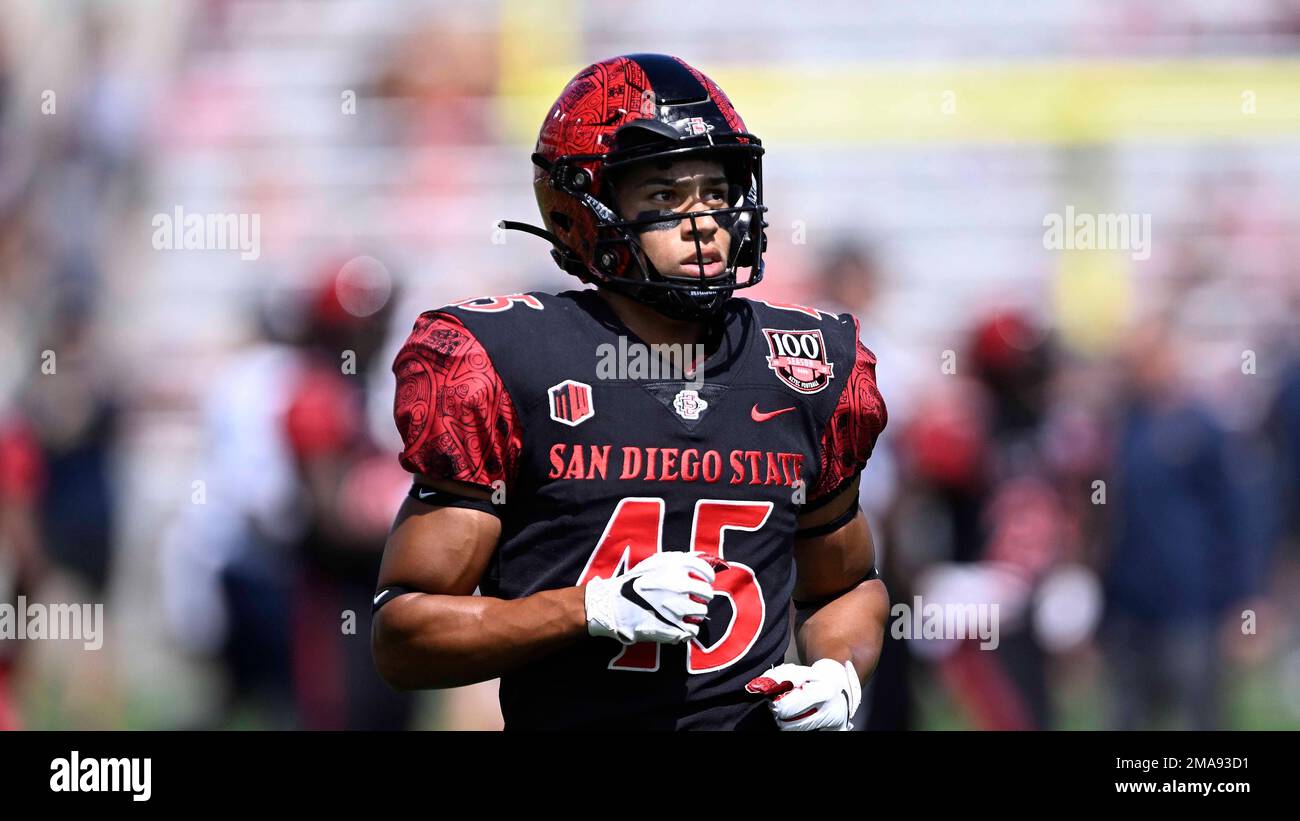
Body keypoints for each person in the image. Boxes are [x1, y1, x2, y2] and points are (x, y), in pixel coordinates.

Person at [371, 54, 890, 730]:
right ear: (583, 211)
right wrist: (592, 608)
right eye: (664, 198)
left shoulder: (805, 363)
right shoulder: (510, 361)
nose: (703, 219)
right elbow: (404, 634)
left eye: (716, 190)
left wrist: (838, 669)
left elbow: (845, 586)